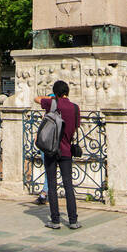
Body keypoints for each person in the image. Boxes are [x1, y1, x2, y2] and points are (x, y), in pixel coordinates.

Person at [36, 80, 81, 230]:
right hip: (67, 150)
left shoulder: (53, 104)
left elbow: (36, 99)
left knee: (52, 186)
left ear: (55, 93)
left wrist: (52, 99)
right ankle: (73, 220)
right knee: (68, 185)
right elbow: (75, 127)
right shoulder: (75, 108)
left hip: (51, 150)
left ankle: (55, 220)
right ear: (68, 92)